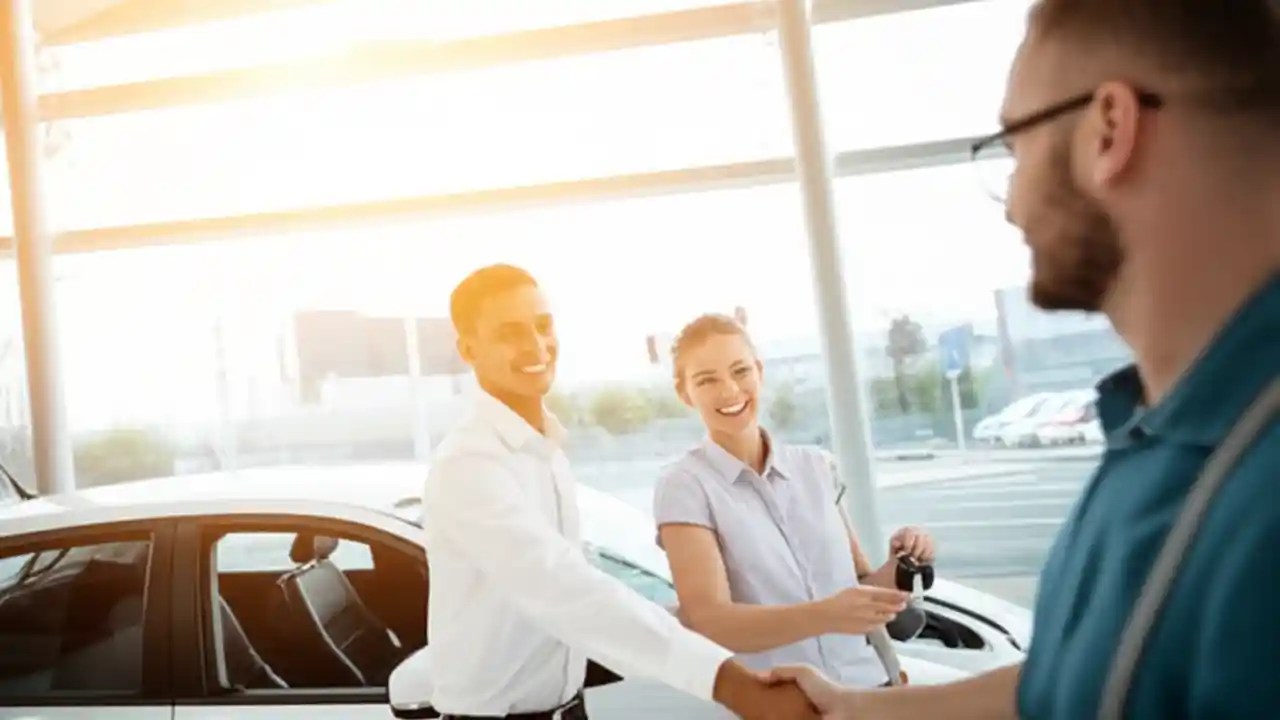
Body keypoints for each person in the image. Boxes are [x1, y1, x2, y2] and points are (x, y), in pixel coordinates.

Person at [768, 0, 1280, 718]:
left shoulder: (1256, 477)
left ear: (1109, 128)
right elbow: (1083, 682)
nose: (1011, 202)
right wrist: (855, 711)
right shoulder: (1158, 432)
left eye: (1015, 145)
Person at [414, 264, 817, 720]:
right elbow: (562, 587)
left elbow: (579, 596)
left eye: (543, 326)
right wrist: (731, 684)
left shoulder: (542, 449)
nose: (536, 345)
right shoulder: (469, 466)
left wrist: (683, 618)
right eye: (510, 333)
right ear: (468, 349)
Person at [654, 313, 937, 687]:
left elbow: (862, 587)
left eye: (740, 371)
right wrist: (826, 615)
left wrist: (904, 560)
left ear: (759, 371)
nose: (729, 391)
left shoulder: (817, 467)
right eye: (707, 380)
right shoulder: (685, 485)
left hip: (873, 692)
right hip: (786, 704)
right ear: (684, 392)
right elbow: (712, 622)